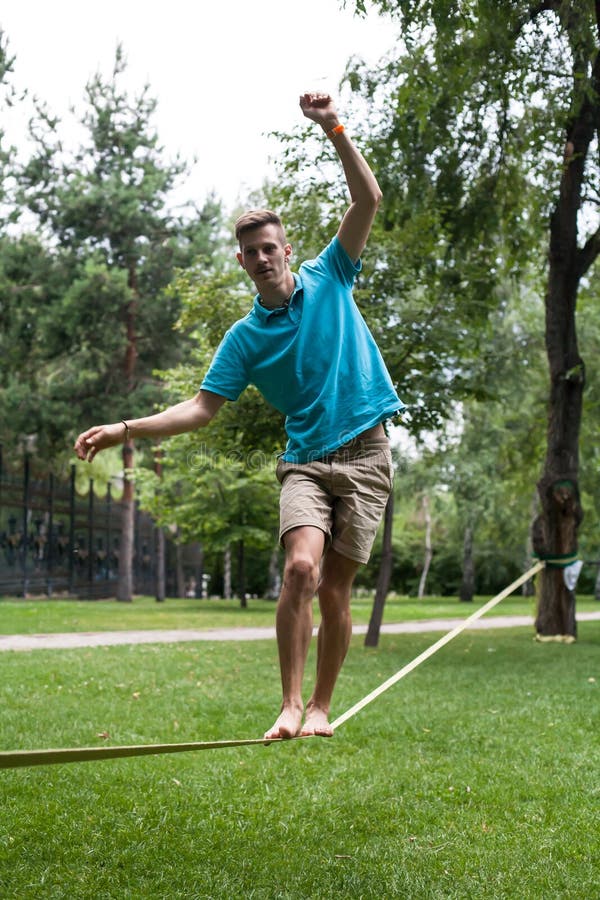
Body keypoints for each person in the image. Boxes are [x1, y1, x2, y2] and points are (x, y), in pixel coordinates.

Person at [74, 92, 403, 740]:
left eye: (270, 247)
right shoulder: (244, 339)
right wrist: (125, 430)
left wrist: (332, 127)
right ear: (241, 260)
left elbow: (368, 201)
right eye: (250, 251)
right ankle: (288, 703)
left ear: (287, 249)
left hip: (367, 454)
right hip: (306, 460)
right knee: (301, 570)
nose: (262, 258)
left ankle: (320, 708)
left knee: (336, 594)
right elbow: (201, 408)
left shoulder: (332, 274)